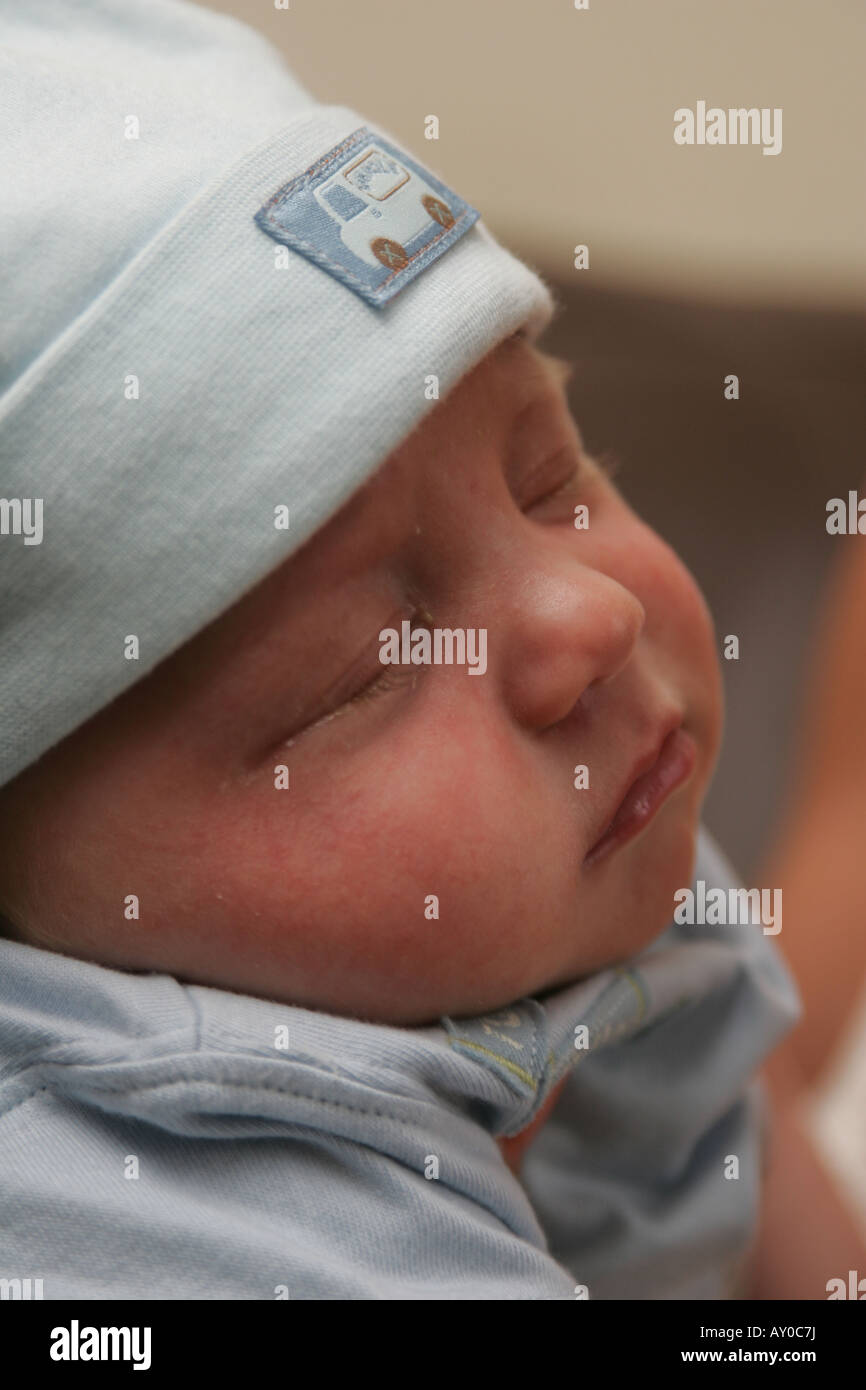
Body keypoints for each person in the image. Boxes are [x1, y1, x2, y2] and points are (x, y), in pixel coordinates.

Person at [0, 0, 838, 1300]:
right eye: (371, 665)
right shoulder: (186, 1234)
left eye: (551, 476)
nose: (590, 620)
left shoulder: (559, 838)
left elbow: (745, 1147)